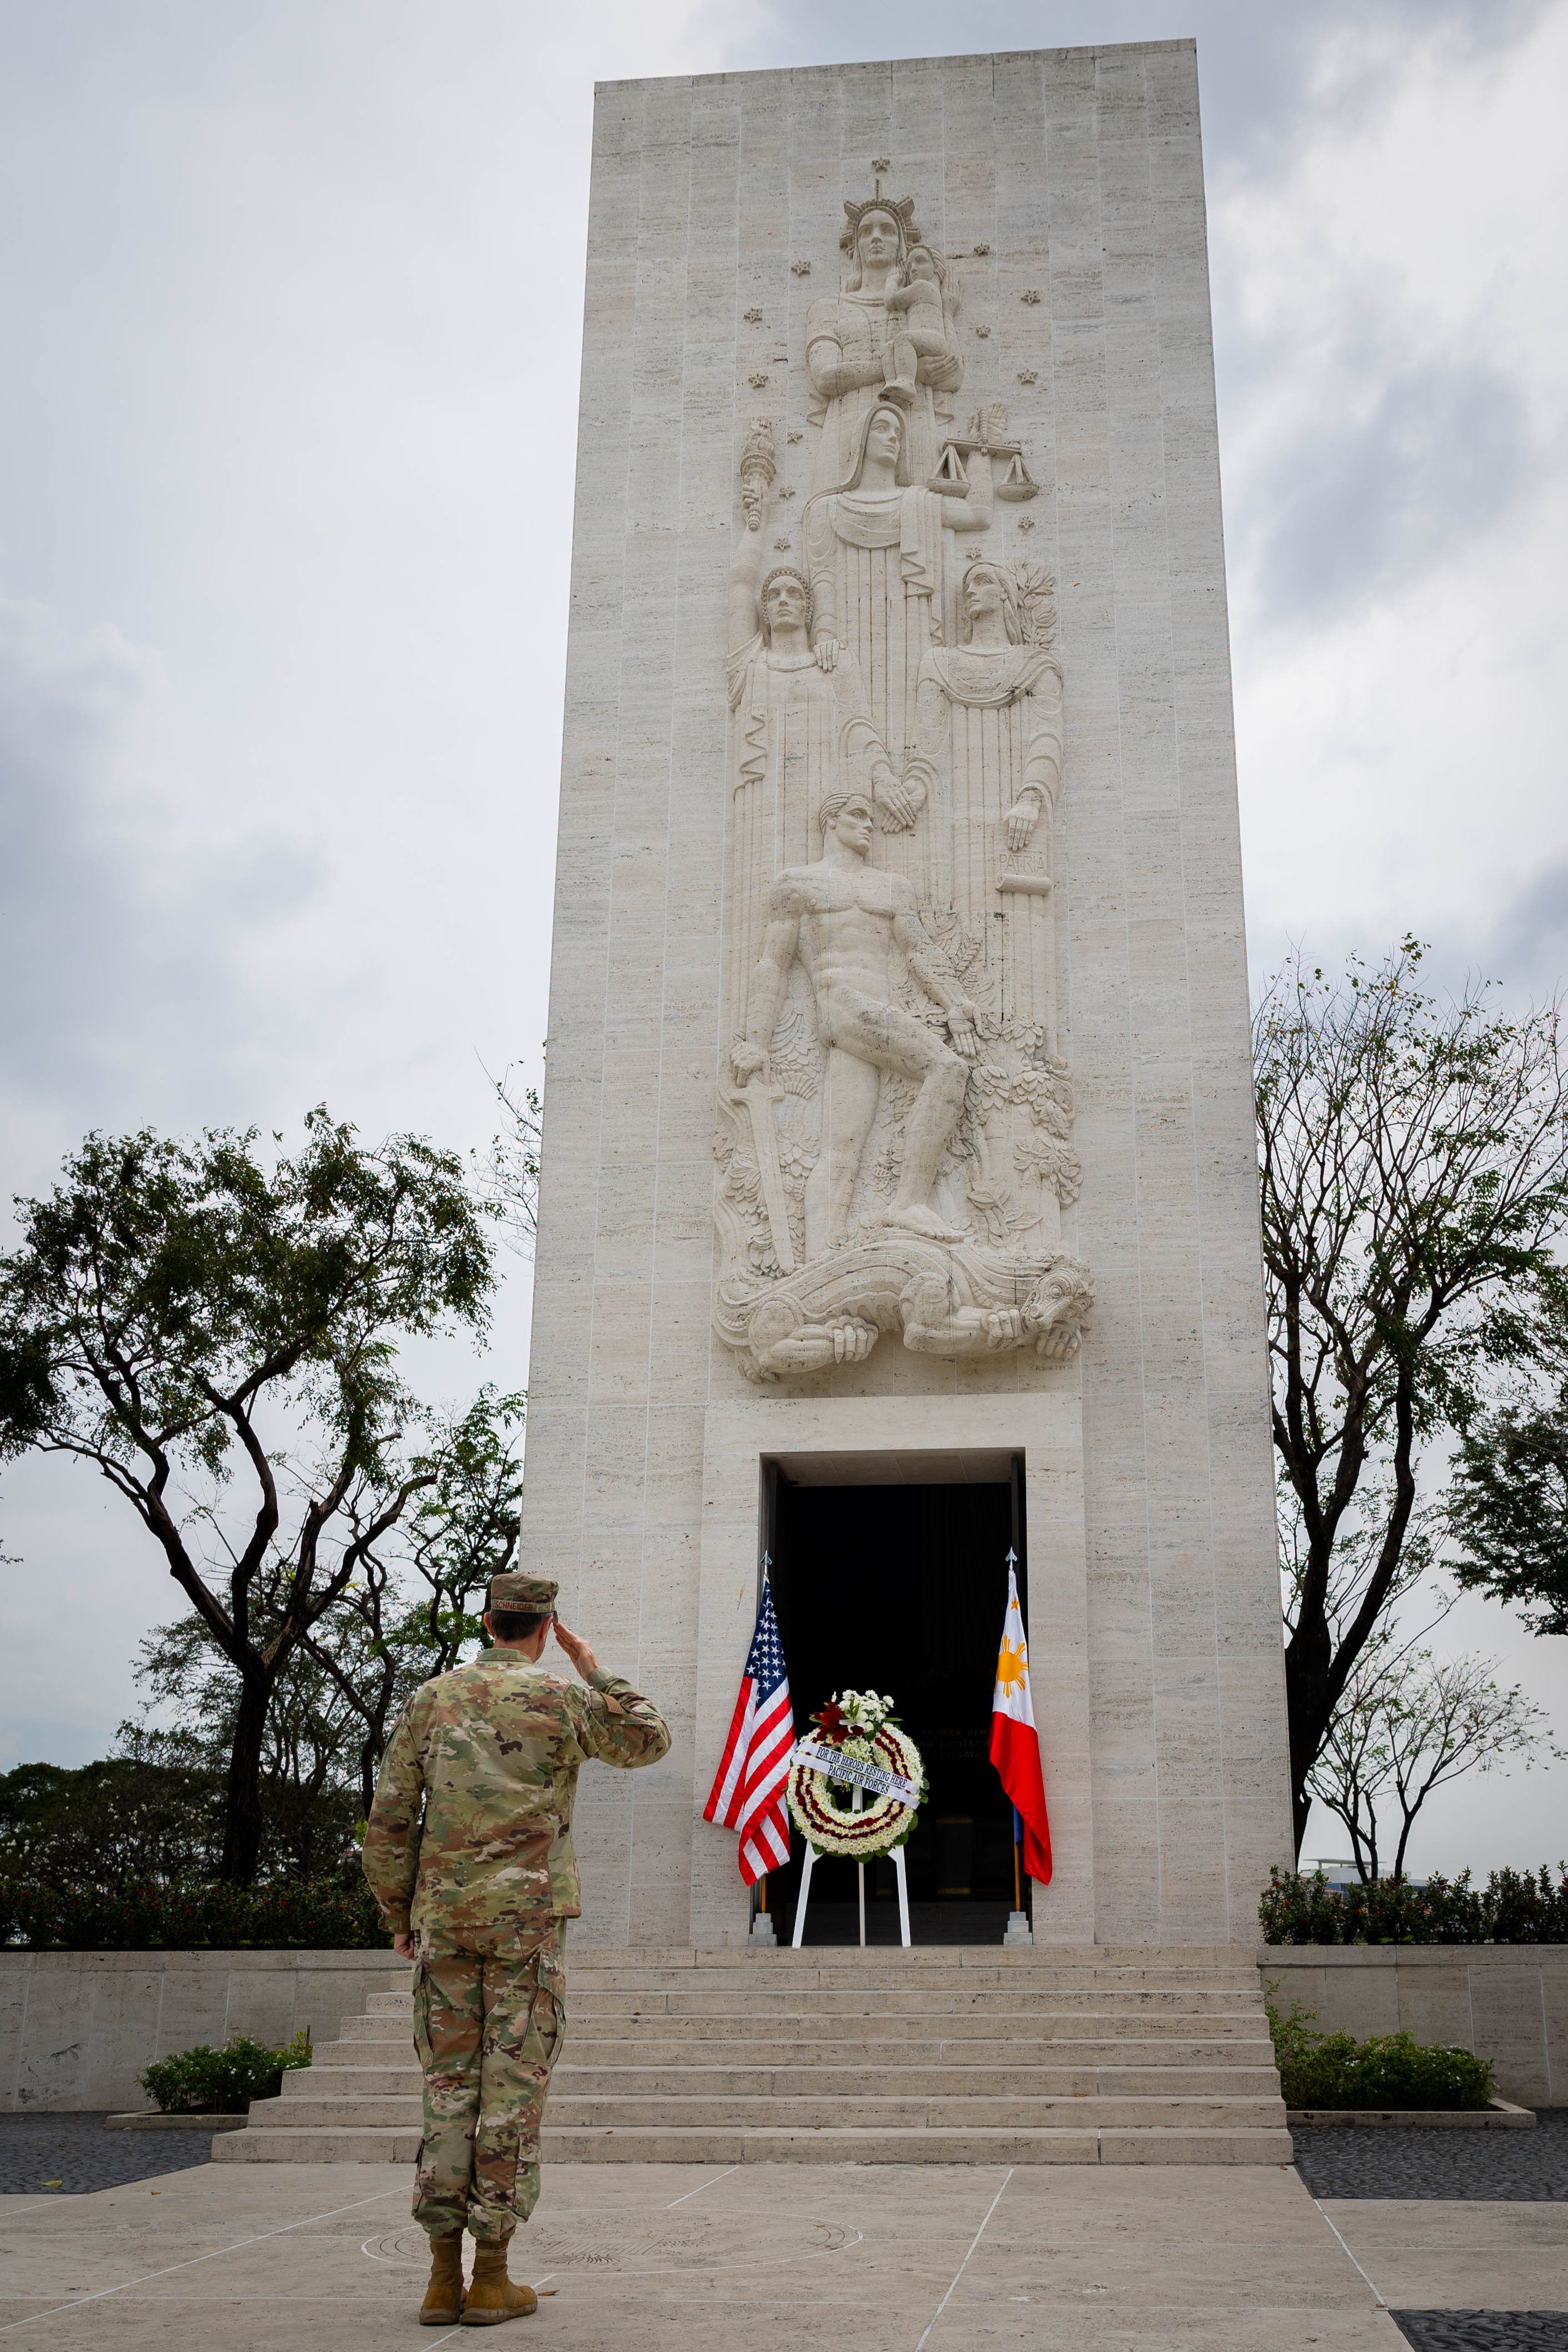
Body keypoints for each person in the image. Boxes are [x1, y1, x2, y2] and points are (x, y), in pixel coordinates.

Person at [362, 1570, 670, 2326]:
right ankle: (492, 2278)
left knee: (446, 2089)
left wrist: (398, 1914)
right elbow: (648, 1738)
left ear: (488, 1622)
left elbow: (390, 1816)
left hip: (446, 1922)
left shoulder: (432, 1697)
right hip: (527, 1927)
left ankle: (440, 2279)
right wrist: (592, 1666)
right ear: (544, 1628)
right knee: (511, 2095)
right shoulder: (563, 1699)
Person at [732, 787, 977, 1255]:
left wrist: (955, 1002)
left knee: (841, 1149)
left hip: (873, 1020)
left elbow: (918, 950)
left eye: (872, 818)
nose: (870, 825)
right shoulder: (799, 884)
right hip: (843, 1004)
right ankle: (908, 1202)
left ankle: (819, 1262)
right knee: (948, 1069)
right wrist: (756, 1041)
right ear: (831, 822)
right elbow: (773, 963)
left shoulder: (891, 887)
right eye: (858, 815)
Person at [881, 244, 955, 406]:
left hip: (935, 342)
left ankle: (907, 382)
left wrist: (892, 281)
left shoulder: (922, 286)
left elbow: (891, 301)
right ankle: (893, 388)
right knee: (888, 348)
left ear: (936, 267)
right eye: (909, 266)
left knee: (903, 339)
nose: (913, 269)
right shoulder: (923, 288)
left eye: (920, 261)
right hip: (923, 341)